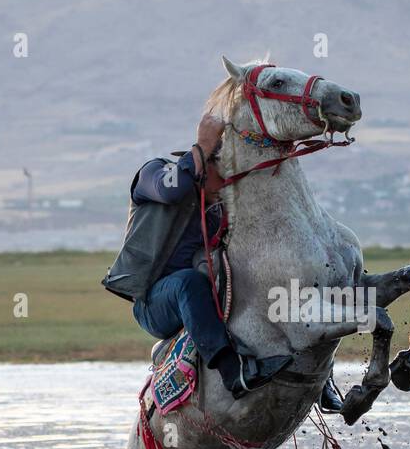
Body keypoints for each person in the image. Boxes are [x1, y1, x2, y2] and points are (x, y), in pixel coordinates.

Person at [105, 113, 344, 409]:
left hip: (205, 297)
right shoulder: (153, 174)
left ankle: (322, 378)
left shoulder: (222, 212)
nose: (229, 183)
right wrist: (204, 144)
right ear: (204, 166)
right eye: (225, 172)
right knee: (187, 283)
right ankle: (233, 372)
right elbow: (172, 188)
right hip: (155, 303)